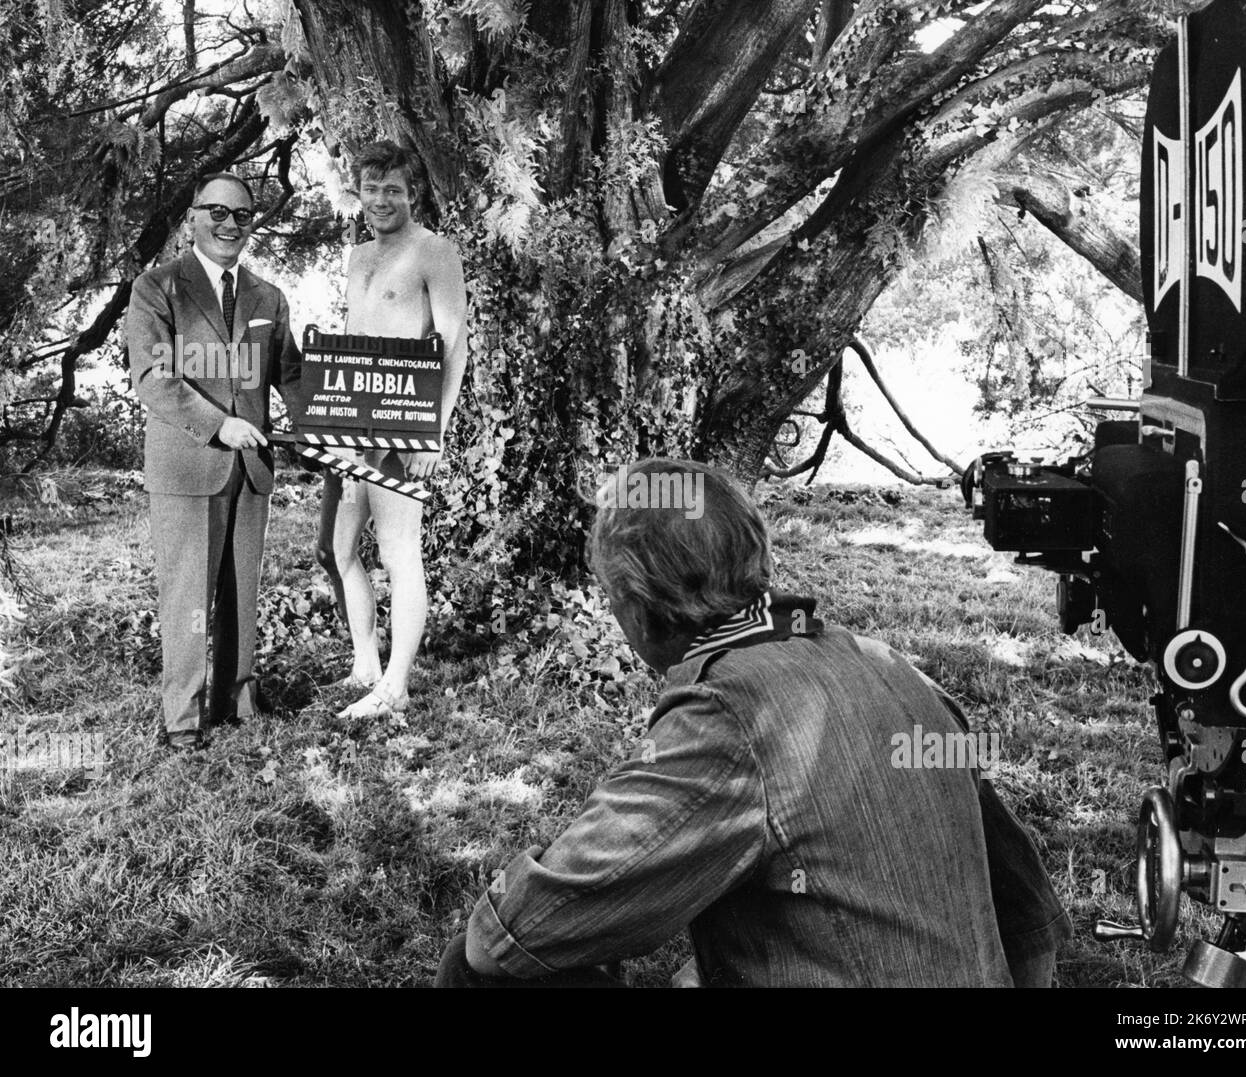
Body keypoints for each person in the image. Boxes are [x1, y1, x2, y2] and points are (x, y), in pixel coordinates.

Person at [435, 459, 1071, 987]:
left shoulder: (727, 715)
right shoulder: (889, 666)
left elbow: (511, 933)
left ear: (636, 606)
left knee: (477, 970)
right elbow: (1029, 914)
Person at [127, 172, 302, 750]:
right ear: (192, 218)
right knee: (187, 596)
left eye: (241, 215)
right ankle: (182, 717)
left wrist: (336, 423)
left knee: (241, 592)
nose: (229, 224)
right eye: (217, 212)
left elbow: (293, 377)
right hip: (187, 465)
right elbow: (153, 377)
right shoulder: (156, 288)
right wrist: (217, 423)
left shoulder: (267, 297)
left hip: (250, 471)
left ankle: (236, 698)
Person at [316, 142, 468, 721]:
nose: (381, 200)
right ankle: (365, 664)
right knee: (341, 548)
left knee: (401, 552)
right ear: (358, 191)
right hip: (351, 423)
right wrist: (329, 422)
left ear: (413, 193)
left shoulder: (436, 252)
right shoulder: (357, 257)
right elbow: (354, 342)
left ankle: (395, 687)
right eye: (371, 188)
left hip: (405, 425)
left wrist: (432, 432)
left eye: (393, 190)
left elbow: (455, 347)